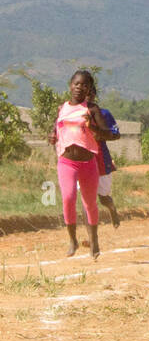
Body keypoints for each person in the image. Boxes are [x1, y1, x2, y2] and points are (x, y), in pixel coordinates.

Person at [50, 69, 109, 258]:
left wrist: (92, 125)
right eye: (77, 83)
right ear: (70, 85)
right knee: (68, 198)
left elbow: (106, 133)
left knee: (90, 203)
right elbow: (56, 129)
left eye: (84, 84)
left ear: (89, 88)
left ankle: (94, 241)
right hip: (67, 162)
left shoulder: (92, 109)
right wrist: (52, 136)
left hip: (88, 163)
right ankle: (73, 240)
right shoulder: (62, 108)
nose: (80, 87)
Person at [85, 76, 122, 230]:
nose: (86, 97)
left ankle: (112, 209)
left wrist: (100, 134)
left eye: (90, 93)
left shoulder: (104, 114)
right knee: (86, 198)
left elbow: (116, 134)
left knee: (103, 197)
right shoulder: (72, 113)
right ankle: (90, 233)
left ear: (94, 95)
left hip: (100, 158)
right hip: (81, 159)